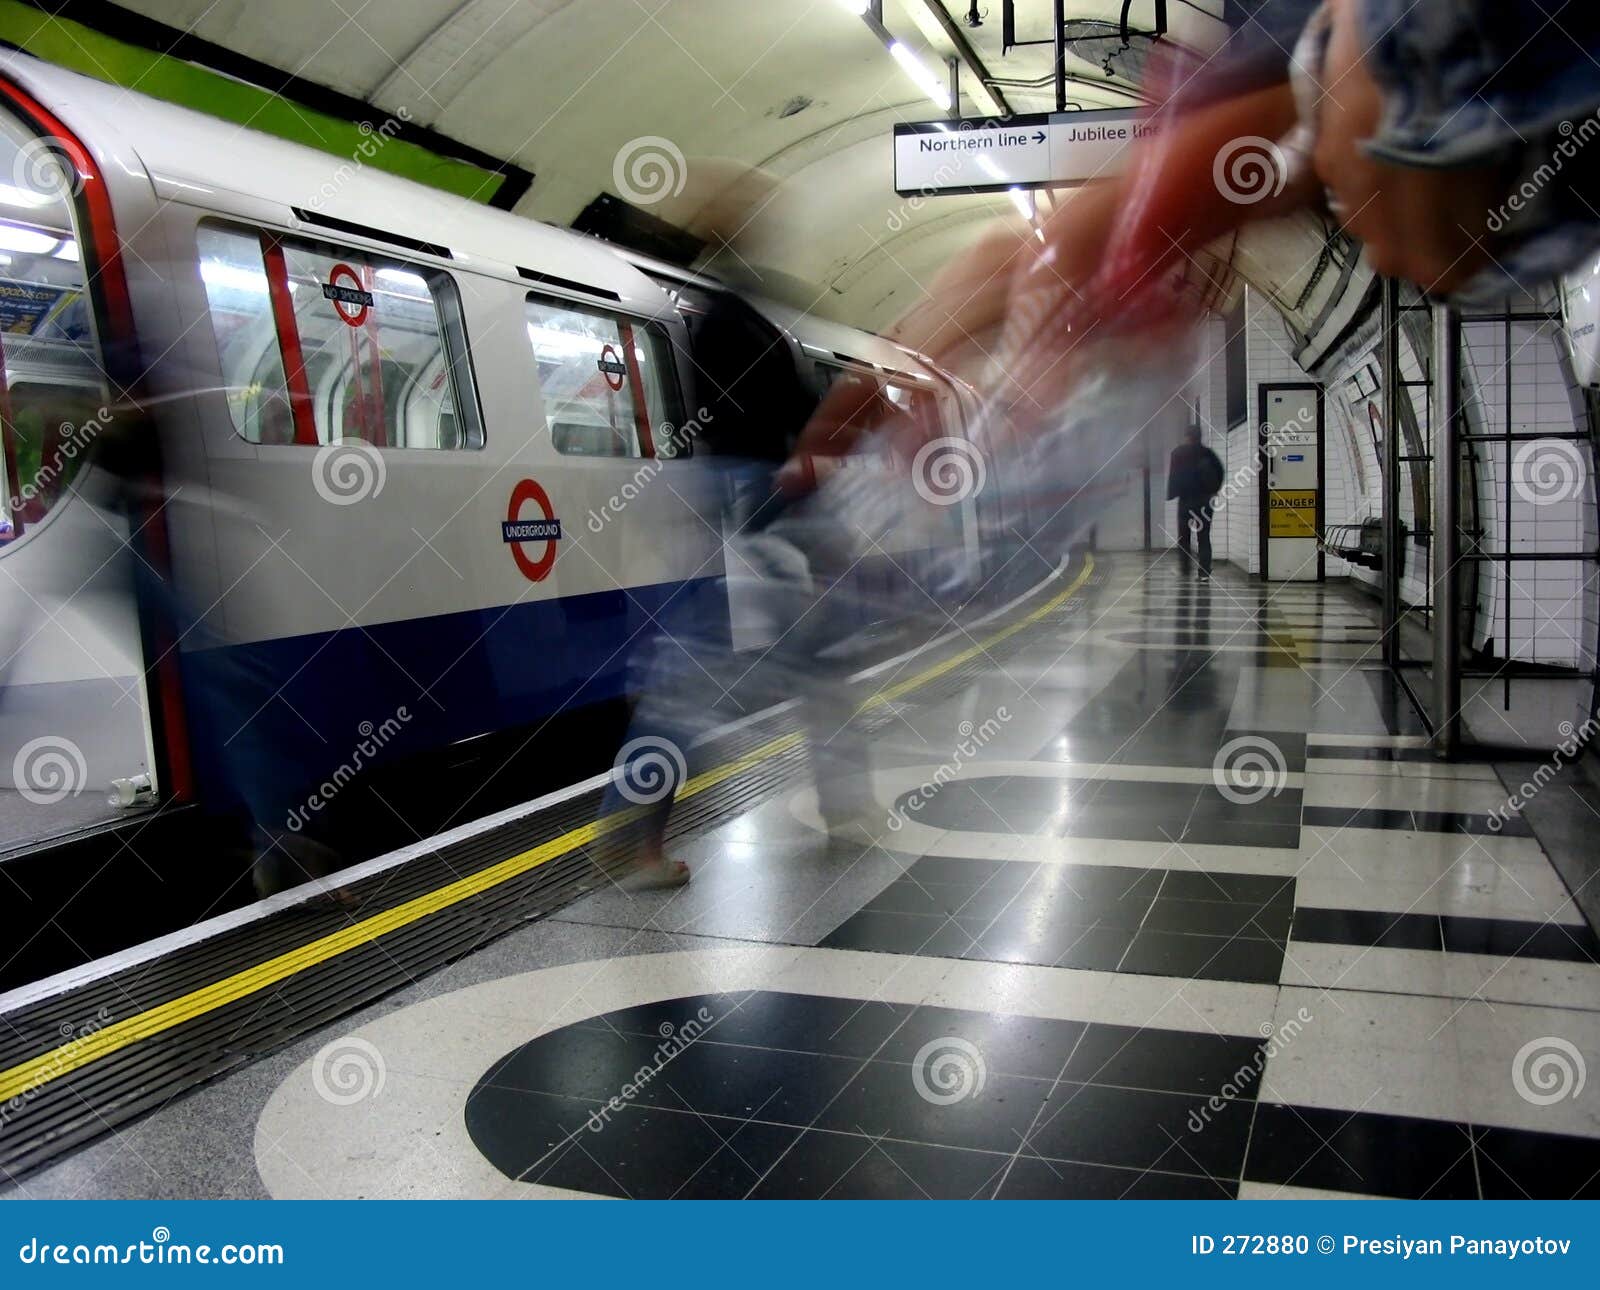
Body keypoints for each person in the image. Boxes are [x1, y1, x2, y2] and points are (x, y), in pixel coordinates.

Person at [1166, 427, 1225, 581]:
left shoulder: (1178, 453)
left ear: (1187, 436)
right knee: (1204, 536)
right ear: (1199, 437)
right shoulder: (1208, 453)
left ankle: (1185, 570)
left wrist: (1172, 494)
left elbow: (1174, 475)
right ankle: (1204, 572)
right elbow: (1220, 472)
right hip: (1205, 501)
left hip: (1186, 501)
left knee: (1184, 537)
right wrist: (1214, 490)